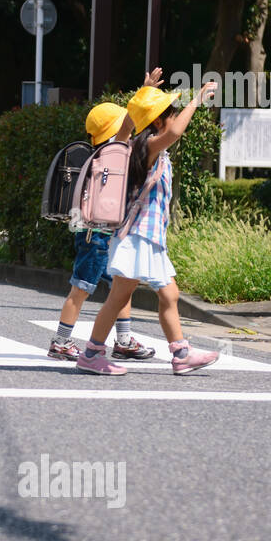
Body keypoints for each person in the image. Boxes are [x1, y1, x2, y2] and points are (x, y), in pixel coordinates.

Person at [76, 77, 220, 376]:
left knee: (169, 296)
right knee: (119, 298)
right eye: (168, 113)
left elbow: (129, 124)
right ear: (158, 122)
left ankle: (181, 354)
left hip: (149, 238)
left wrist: (142, 94)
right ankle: (91, 354)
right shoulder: (146, 149)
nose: (173, 117)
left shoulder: (146, 148)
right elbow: (174, 130)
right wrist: (199, 98)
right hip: (136, 237)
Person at [48, 77, 164, 362]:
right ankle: (61, 342)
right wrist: (142, 94)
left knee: (121, 284)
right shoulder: (110, 154)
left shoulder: (103, 154)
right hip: (96, 235)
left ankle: (123, 340)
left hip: (105, 233)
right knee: (81, 288)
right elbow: (126, 127)